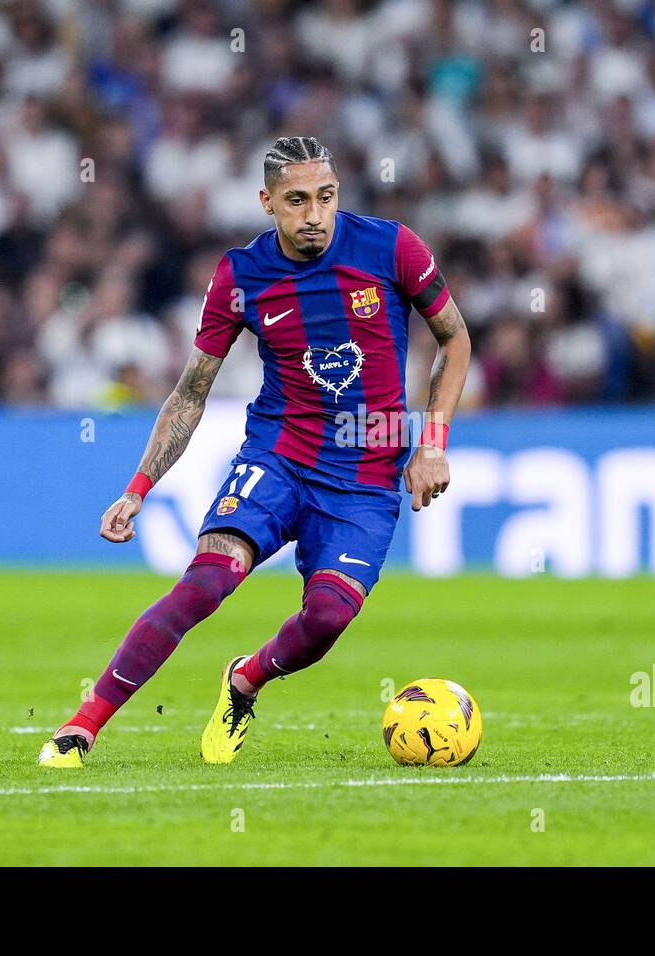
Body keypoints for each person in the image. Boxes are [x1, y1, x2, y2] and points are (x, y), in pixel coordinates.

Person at [38, 136, 472, 767]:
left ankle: (245, 679)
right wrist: (137, 490)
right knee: (207, 581)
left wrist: (432, 444)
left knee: (325, 618)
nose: (314, 214)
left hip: (365, 474)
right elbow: (191, 393)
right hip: (280, 455)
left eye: (325, 197)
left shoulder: (392, 248)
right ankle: (82, 726)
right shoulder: (241, 276)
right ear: (267, 202)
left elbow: (454, 340)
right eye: (296, 201)